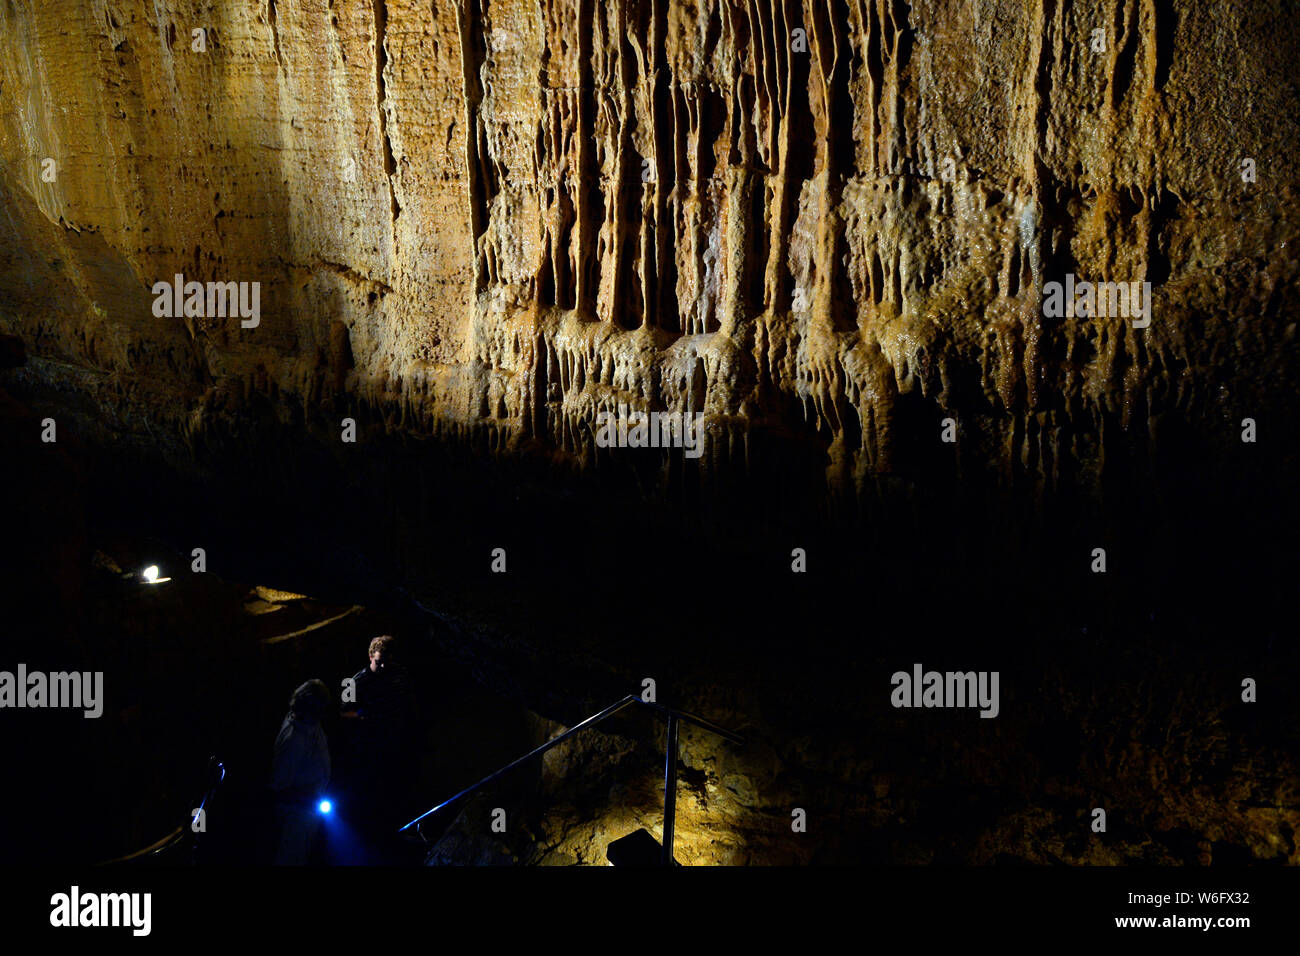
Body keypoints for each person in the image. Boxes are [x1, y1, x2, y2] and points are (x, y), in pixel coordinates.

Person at [340, 636, 416, 834]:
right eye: (378, 662)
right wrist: (363, 716)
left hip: (397, 739)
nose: (383, 666)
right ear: (370, 657)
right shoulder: (354, 682)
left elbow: (409, 700)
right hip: (370, 744)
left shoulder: (400, 673)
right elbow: (342, 713)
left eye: (387, 661)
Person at [270, 679, 332, 865]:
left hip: (308, 811)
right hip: (295, 816)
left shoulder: (311, 725)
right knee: (290, 858)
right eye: (319, 708)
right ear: (310, 707)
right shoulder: (293, 740)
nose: (322, 714)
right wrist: (306, 797)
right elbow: (278, 786)